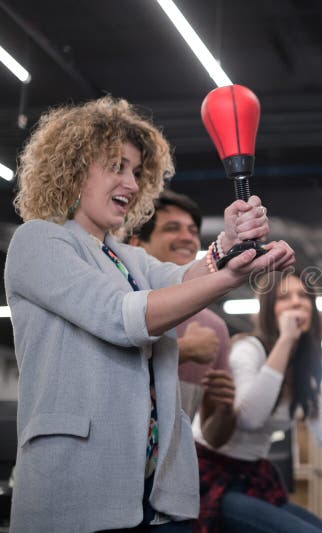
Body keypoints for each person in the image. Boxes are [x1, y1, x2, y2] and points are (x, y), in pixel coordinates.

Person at [5, 96, 294, 532]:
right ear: (73, 166)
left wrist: (229, 241)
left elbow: (184, 279)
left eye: (137, 172)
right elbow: (123, 317)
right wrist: (230, 277)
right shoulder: (39, 241)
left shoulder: (126, 258)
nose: (132, 182)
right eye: (117, 166)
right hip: (75, 483)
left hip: (151, 489)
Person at [193, 270, 322, 533]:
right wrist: (286, 339)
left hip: (251, 477)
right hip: (211, 477)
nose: (297, 303)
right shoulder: (249, 349)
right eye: (284, 297)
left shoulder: (304, 369)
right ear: (270, 311)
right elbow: (250, 418)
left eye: (303, 296)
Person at [129, 190, 237, 448]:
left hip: (174, 472)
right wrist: (185, 350)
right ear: (136, 246)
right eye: (172, 228)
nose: (187, 238)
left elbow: (215, 438)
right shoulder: (120, 309)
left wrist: (225, 408)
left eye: (192, 230)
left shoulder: (214, 328)